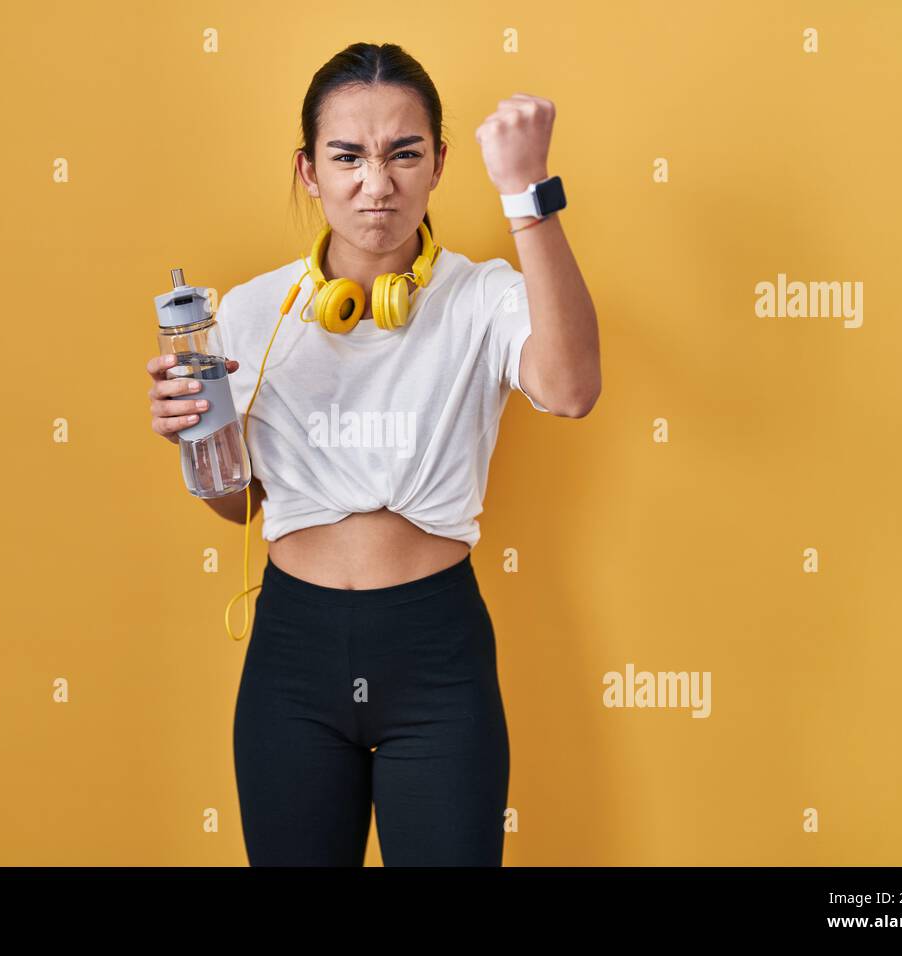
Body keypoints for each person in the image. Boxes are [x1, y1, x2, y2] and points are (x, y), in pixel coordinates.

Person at [148, 42, 600, 866]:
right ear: (310, 171)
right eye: (347, 157)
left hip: (435, 653)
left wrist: (528, 194)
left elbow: (571, 390)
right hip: (293, 655)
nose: (377, 183)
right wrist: (197, 444)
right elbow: (241, 505)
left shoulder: (483, 295)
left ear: (438, 166)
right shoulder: (250, 313)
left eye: (404, 154)